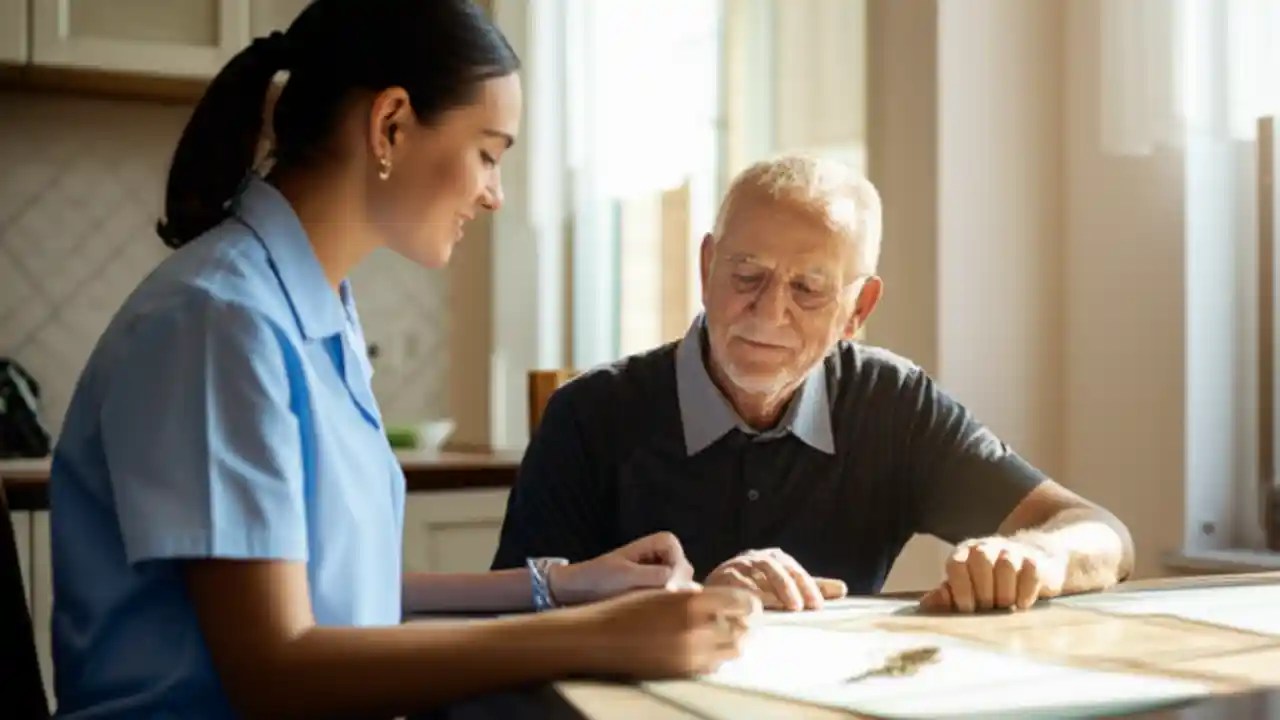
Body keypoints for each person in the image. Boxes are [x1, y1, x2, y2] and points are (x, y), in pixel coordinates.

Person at [47, 2, 758, 718]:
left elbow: (342, 594)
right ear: (390, 125)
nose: (495, 195)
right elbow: (275, 668)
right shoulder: (220, 321)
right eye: (487, 152)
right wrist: (589, 637)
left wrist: (560, 585)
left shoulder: (312, 310)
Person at [492, 155, 1135, 614]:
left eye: (808, 288)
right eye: (747, 274)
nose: (770, 313)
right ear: (708, 266)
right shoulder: (590, 415)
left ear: (859, 310)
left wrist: (1040, 560)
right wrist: (689, 607)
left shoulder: (894, 406)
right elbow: (510, 622)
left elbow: (1099, 531)